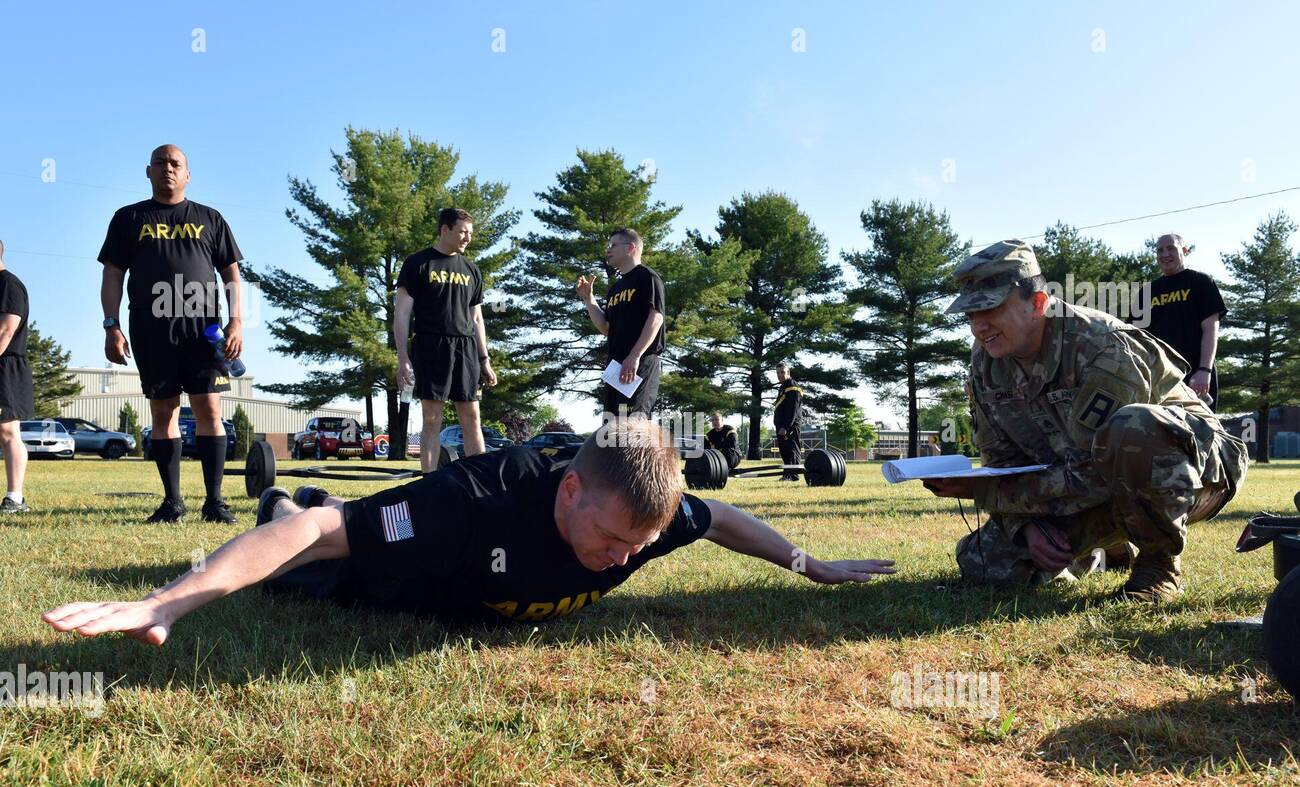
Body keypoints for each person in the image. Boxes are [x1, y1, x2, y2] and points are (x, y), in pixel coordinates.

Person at [42, 419, 895, 645]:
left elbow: (721, 518)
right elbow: (327, 539)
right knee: (305, 529)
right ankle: (279, 495)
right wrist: (171, 601)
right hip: (372, 581)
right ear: (567, 494)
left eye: (641, 545)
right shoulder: (471, 501)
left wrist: (807, 562)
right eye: (612, 542)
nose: (627, 559)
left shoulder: (644, 514)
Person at [924, 239, 1248, 602]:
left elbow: (1091, 474)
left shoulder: (1101, 345)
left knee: (1132, 428)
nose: (979, 327)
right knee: (984, 563)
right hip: (1089, 482)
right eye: (970, 316)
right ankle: (1108, 545)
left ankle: (1158, 569)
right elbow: (1003, 463)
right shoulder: (987, 362)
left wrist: (984, 492)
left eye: (991, 310)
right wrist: (1026, 525)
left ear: (1039, 303)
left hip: (1194, 471)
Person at [98, 144, 244, 524]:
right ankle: (172, 502)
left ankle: (215, 502)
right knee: (164, 410)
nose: (168, 169)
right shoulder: (128, 218)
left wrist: (237, 321)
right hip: (151, 328)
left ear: (187, 174)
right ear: (148, 171)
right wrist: (110, 325)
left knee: (209, 408)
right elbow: (113, 273)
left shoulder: (209, 218)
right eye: (160, 163)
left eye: (175, 164)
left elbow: (231, 273)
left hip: (203, 329)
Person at [394, 207, 497, 473]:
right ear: (445, 230)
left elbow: (477, 319)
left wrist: (484, 359)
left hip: (465, 349)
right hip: (430, 345)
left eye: (470, 233)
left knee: (472, 417)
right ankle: (429, 483)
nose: (467, 238)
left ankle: (479, 481)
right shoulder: (417, 263)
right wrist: (403, 357)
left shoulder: (472, 270)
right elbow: (402, 313)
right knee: (432, 418)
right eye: (462, 232)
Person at [575, 229, 666, 420]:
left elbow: (656, 318)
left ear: (630, 248)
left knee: (632, 426)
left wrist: (634, 356)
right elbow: (606, 328)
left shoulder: (647, 277)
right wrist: (589, 299)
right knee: (612, 427)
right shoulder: (615, 288)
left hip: (640, 362)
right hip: (616, 366)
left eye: (614, 245)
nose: (608, 249)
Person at [1143, 233, 1227, 408]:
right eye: (1160, 250)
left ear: (1184, 250)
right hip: (1159, 378)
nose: (1165, 254)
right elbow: (1138, 337)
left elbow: (1211, 328)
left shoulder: (1201, 282)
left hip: (1194, 376)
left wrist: (1204, 370)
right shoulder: (1148, 292)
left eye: (1171, 248)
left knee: (1200, 432)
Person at [0, 239, 33, 514]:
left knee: (8, 430)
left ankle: (15, 498)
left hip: (6, 367)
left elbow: (6, 331)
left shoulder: (9, 285)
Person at [773, 362, 802, 481]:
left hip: (789, 425)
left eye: (782, 372)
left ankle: (793, 475)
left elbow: (793, 410)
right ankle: (787, 473)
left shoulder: (792, 386)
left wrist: (785, 426)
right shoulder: (783, 386)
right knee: (784, 450)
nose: (780, 375)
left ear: (788, 373)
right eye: (778, 373)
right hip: (782, 425)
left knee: (792, 449)